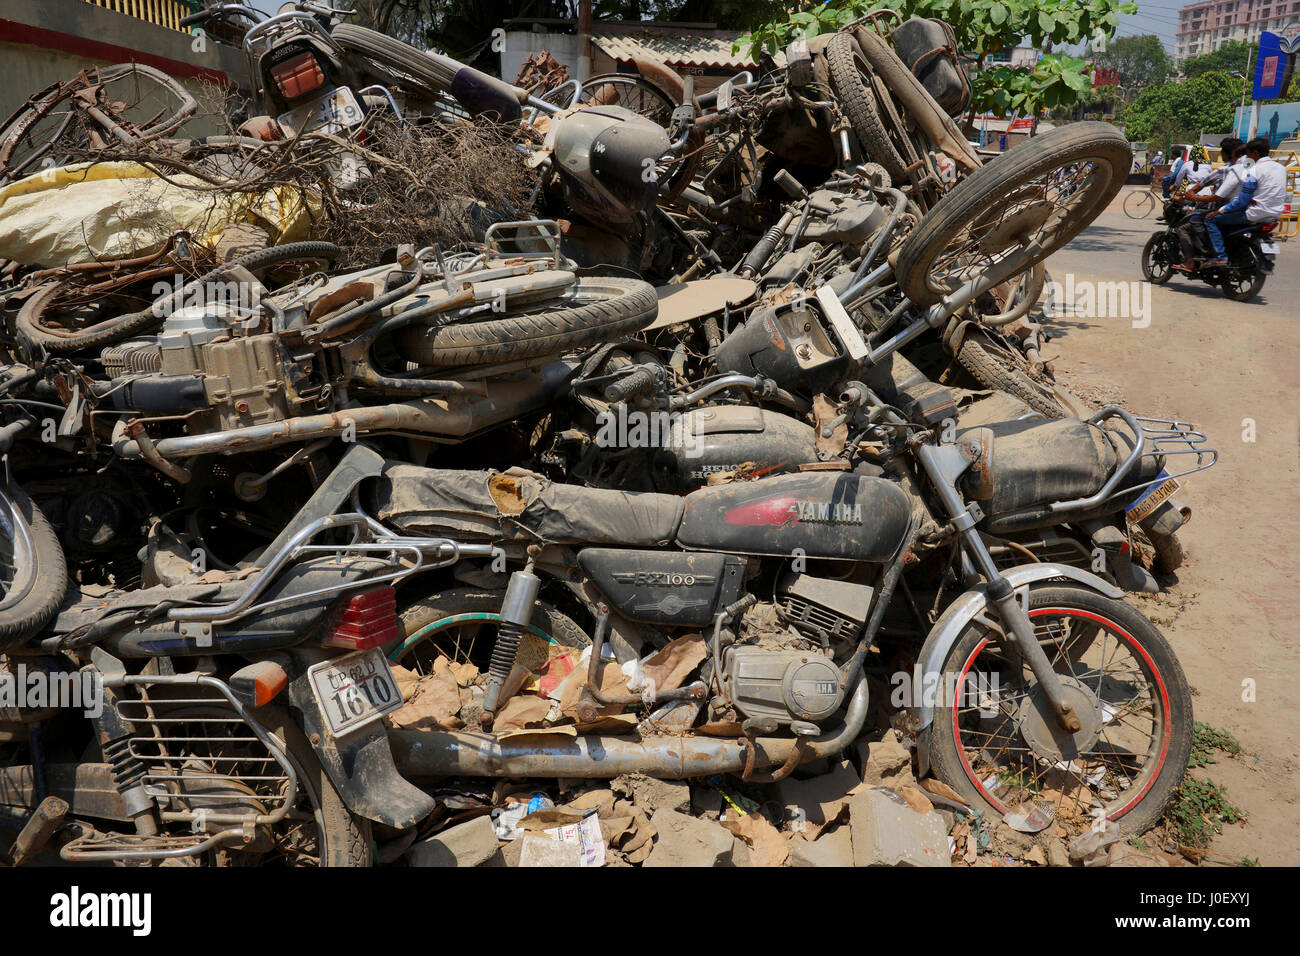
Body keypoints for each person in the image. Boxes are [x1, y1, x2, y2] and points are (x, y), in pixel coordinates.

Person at [1203, 137, 1283, 267]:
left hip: (1255, 214)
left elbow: (1242, 200)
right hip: (1275, 214)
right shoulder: (1281, 168)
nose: (1247, 158)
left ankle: (1220, 257)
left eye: (1248, 154)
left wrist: (1219, 211)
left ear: (1256, 153)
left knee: (1210, 220)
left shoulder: (1254, 170)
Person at [1174, 138, 1244, 270]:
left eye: (1222, 151)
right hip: (1242, 209)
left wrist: (1184, 195)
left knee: (1190, 223)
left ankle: (1202, 252)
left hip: (1212, 203)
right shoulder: (1248, 169)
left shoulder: (1224, 170)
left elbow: (1216, 195)